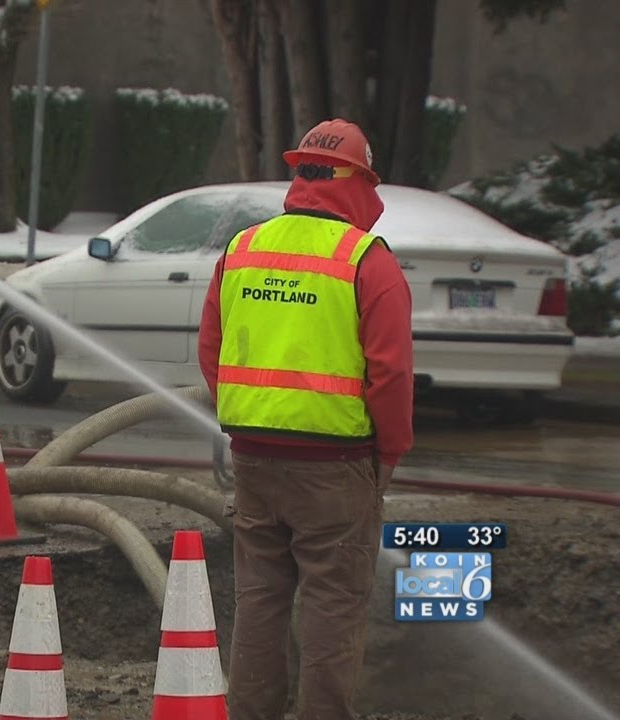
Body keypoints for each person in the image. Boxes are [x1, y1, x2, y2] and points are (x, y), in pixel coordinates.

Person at [198, 118, 414, 720]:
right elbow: (391, 374)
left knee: (260, 604)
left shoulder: (243, 249)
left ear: (302, 174)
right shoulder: (367, 261)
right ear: (359, 182)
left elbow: (211, 349)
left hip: (254, 462)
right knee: (333, 608)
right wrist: (389, 454)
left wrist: (248, 419)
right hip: (338, 469)